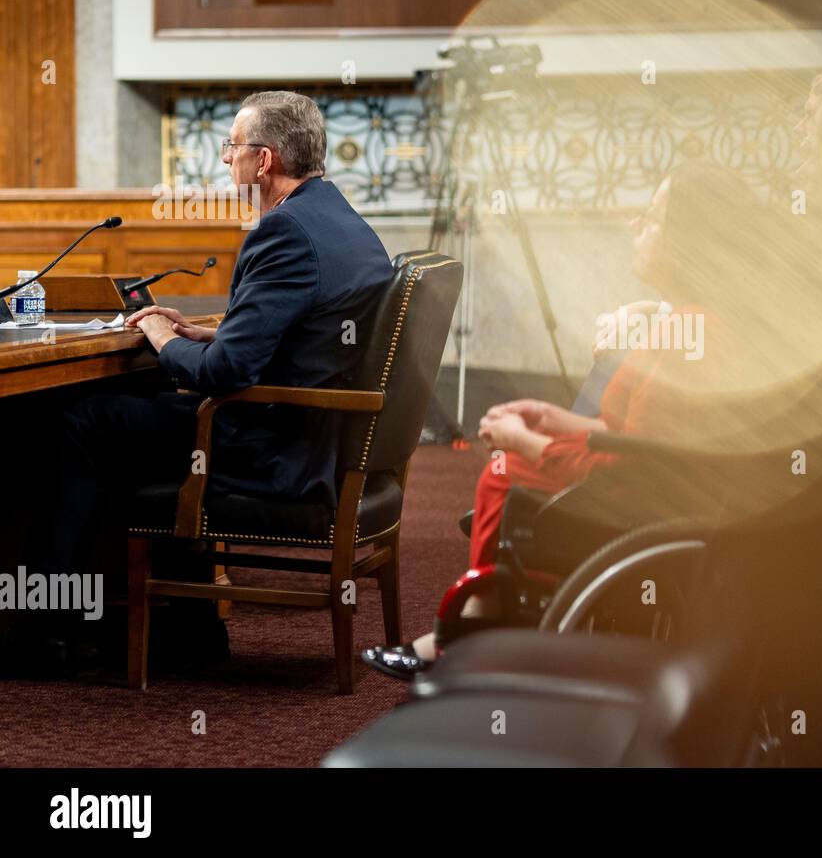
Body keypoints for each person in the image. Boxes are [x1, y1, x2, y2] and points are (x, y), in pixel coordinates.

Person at [1, 90, 394, 678]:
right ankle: (176, 625)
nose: (223, 160)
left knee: (78, 419)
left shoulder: (283, 233)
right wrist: (210, 334)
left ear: (263, 160)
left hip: (269, 445)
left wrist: (161, 333)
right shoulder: (341, 219)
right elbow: (298, 337)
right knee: (118, 404)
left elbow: (222, 376)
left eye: (231, 147)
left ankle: (44, 630)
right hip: (313, 431)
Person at [363, 161, 765, 679]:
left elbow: (634, 457)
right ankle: (478, 619)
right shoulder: (690, 321)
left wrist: (530, 443)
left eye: (654, 217)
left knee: (505, 467)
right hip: (637, 477)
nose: (636, 226)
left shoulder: (697, 335)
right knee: (509, 457)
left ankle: (481, 621)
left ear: (691, 240)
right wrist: (551, 417)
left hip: (634, 504)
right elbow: (633, 435)